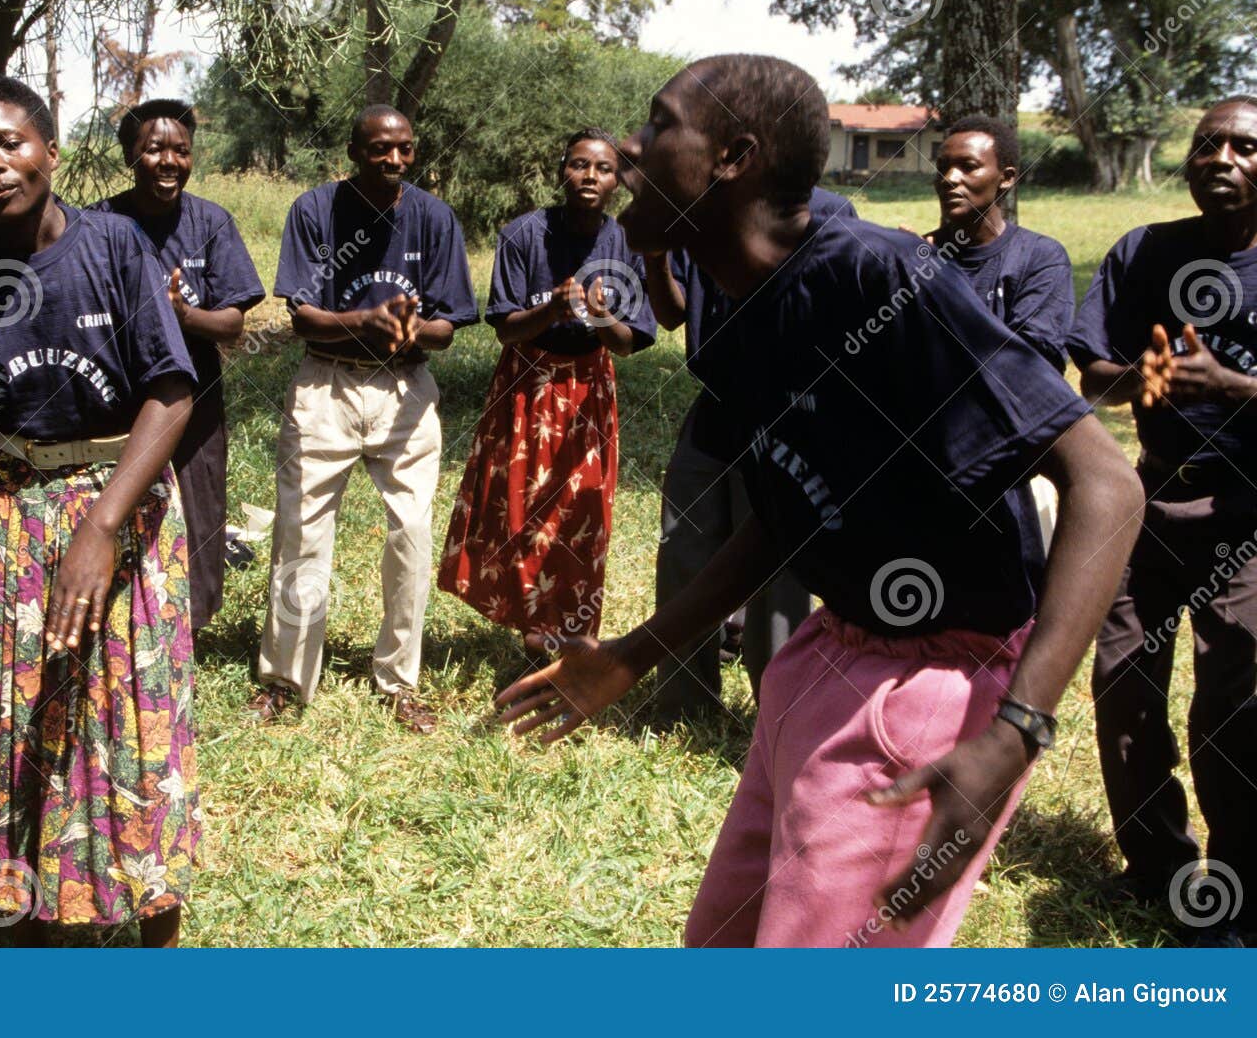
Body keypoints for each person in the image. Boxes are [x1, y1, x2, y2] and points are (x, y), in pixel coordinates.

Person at [497, 54, 1143, 948]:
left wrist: (1014, 732)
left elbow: (1107, 481)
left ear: (733, 156)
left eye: (659, 124)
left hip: (924, 689)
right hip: (824, 655)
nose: (629, 148)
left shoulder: (874, 276)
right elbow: (790, 505)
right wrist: (633, 655)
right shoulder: (734, 311)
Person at [0, 74, 198, 946]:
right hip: (6, 513)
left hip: (122, 510)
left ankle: (151, 908)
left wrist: (100, 528)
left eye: (11, 143)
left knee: (133, 707)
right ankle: (21, 909)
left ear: (51, 152)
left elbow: (170, 394)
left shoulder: (115, 246)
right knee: (9, 709)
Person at [1067, 95, 1257, 946]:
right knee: (1124, 684)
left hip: (1248, 516)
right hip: (1150, 502)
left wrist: (1233, 388)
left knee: (1233, 706)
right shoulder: (1146, 251)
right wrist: (1136, 378)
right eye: (1207, 142)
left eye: (1245, 146)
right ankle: (1156, 871)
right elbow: (1092, 380)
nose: (1221, 156)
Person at [251, 105, 476, 733]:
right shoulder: (315, 211)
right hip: (326, 382)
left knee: (411, 532)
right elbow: (303, 318)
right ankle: (285, 678)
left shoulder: (432, 217)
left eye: (404, 148)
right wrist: (365, 322)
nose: (395, 161)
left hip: (405, 391)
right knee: (303, 532)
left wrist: (413, 330)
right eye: (380, 149)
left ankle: (400, 681)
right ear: (354, 151)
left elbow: (448, 326)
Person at [645, 186, 854, 719]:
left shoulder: (828, 214)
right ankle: (684, 700)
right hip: (714, 408)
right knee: (683, 548)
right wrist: (652, 255)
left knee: (778, 567)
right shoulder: (702, 213)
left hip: (788, 410)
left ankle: (777, 707)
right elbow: (673, 314)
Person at [438, 129, 654, 644]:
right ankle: (527, 619)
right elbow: (506, 328)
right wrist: (552, 309)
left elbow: (627, 342)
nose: (590, 177)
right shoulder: (523, 235)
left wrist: (600, 318)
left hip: (589, 387)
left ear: (617, 181)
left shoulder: (625, 241)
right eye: (579, 165)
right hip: (526, 384)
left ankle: (568, 627)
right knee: (516, 506)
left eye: (603, 169)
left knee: (583, 508)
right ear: (562, 171)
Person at [93, 99, 263, 644]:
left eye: (181, 150)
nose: (168, 160)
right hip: (118, 396)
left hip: (195, 392)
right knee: (117, 498)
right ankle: (120, 614)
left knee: (200, 503)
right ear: (129, 155)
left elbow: (233, 323)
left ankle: (191, 627)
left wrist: (183, 314)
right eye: (153, 148)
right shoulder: (97, 223)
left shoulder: (211, 223)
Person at [924, 115, 1074, 372]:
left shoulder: (1040, 258)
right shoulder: (918, 256)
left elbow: (1030, 362)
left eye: (968, 166)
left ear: (1006, 178)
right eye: (943, 167)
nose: (949, 178)